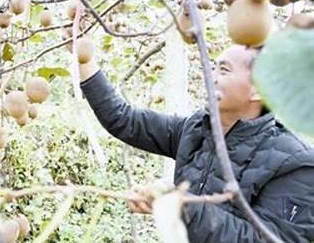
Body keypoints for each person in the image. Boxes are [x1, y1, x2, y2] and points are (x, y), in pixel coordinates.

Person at [79, 44, 314, 242]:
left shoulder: (296, 164)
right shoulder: (196, 130)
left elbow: (267, 239)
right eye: (213, 66)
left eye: (224, 70)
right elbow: (126, 120)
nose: (210, 77)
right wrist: (84, 60)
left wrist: (181, 206)